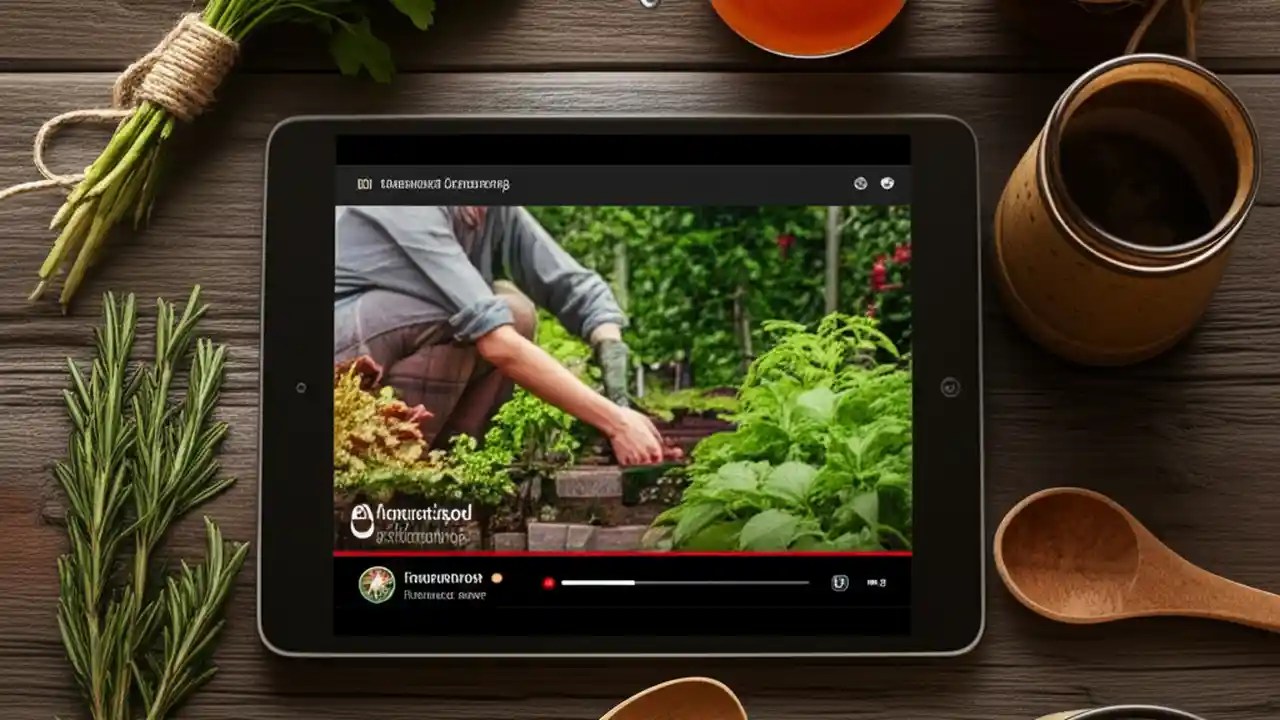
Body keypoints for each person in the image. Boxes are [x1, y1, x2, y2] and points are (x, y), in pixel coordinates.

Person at [334, 205, 671, 466]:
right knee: (483, 317)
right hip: (343, 347)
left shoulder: (490, 203)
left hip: (406, 332)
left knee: (513, 312)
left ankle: (452, 468)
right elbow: (496, 341)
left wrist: (611, 354)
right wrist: (616, 423)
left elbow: (567, 282)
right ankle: (386, 477)